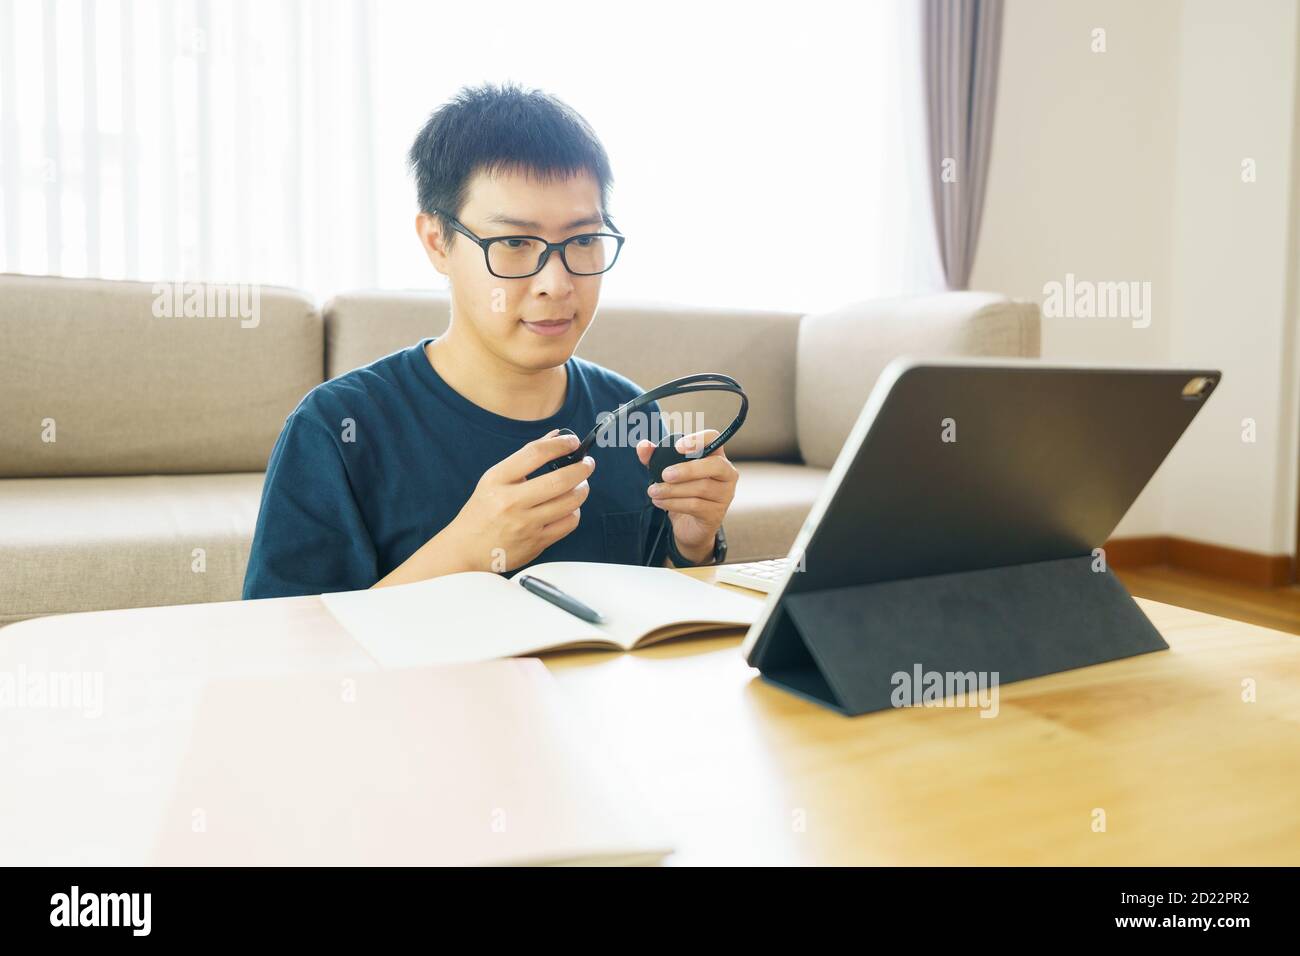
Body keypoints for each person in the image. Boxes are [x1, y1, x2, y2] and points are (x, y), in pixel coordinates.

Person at [242, 82, 738, 599]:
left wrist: (695, 542)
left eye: (584, 240)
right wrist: (466, 551)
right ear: (438, 243)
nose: (557, 283)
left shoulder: (629, 416)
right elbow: (281, 650)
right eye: (516, 243)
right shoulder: (336, 430)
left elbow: (656, 616)